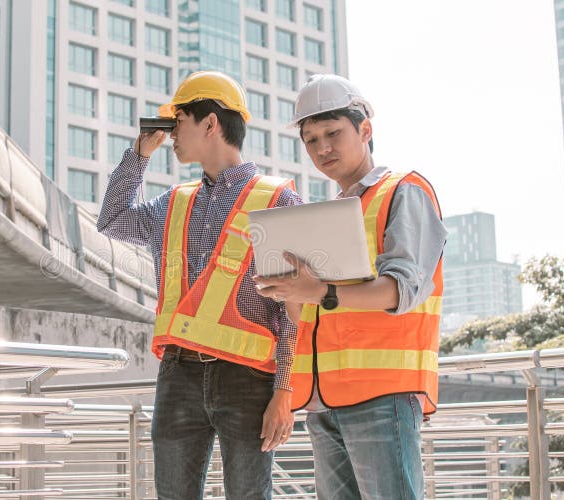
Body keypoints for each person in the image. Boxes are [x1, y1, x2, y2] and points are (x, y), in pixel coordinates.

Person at [97, 70, 302, 499]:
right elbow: (113, 220)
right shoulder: (172, 203)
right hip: (178, 374)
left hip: (248, 378)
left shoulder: (276, 200)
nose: (171, 135)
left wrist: (284, 390)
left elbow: (294, 311)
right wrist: (139, 155)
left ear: (210, 124)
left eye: (179, 122)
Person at [254, 74, 447, 500]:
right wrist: (290, 292)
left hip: (382, 396)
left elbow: (402, 290)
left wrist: (321, 292)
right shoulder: (328, 216)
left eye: (333, 134)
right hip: (323, 401)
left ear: (365, 130)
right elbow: (312, 312)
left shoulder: (403, 191)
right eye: (311, 139)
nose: (322, 148)